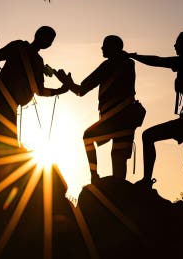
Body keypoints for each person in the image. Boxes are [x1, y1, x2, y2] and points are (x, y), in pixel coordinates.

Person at [130, 31, 183, 200]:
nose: (174, 46)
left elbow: (159, 61)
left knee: (148, 136)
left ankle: (147, 180)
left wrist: (135, 57)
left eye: (177, 43)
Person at [57, 36, 144, 182]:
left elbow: (81, 90)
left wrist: (66, 82)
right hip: (128, 118)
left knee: (88, 137)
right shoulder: (129, 63)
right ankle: (119, 189)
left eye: (104, 45)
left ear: (113, 48)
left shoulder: (109, 65)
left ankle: (94, 176)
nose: (102, 48)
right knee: (118, 156)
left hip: (115, 117)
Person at [0, 26, 68, 144]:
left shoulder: (17, 46)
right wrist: (60, 90)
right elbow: (40, 91)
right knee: (7, 146)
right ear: (48, 45)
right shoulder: (38, 61)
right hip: (9, 107)